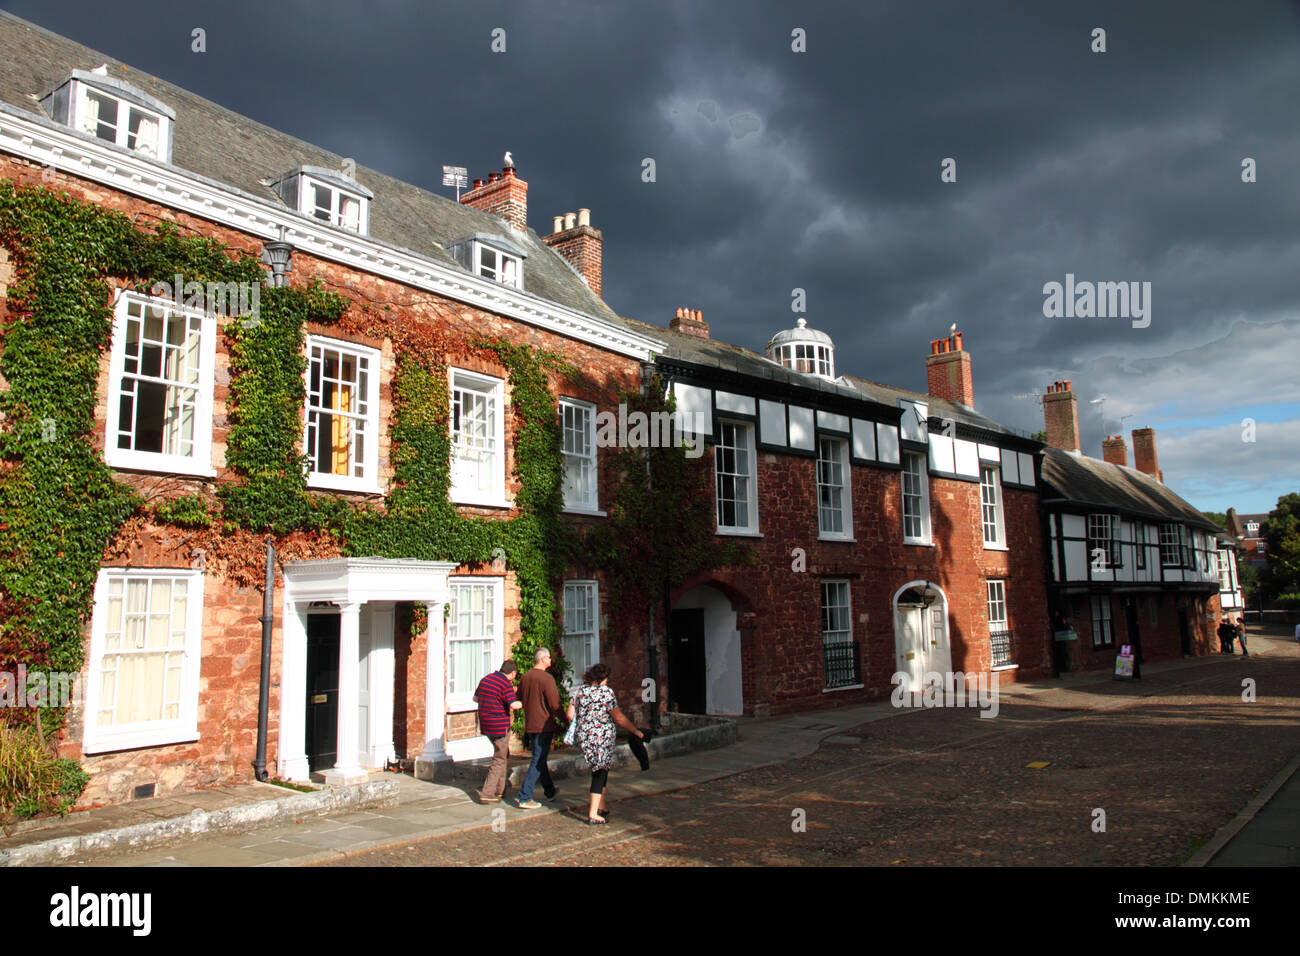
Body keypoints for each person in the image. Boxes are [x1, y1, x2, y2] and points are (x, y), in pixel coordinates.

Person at [566, 662, 644, 825]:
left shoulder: (580, 691)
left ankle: (601, 806)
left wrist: (586, 723)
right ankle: (593, 813)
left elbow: (569, 714)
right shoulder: (606, 693)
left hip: (585, 737)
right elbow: (619, 717)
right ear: (603, 679)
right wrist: (635, 730)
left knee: (601, 768)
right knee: (600, 771)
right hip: (602, 737)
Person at [516, 647, 562, 809]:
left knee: (540, 758)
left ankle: (550, 791)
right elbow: (555, 704)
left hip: (531, 724)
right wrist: (565, 721)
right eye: (549, 657)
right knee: (538, 759)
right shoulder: (546, 679)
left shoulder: (525, 678)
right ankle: (525, 796)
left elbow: (519, 699)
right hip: (543, 725)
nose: (550, 660)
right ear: (542, 659)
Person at [473, 660, 522, 804]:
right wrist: (525, 701)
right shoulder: (505, 683)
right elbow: (514, 705)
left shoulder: (486, 679)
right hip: (499, 725)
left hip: (486, 725)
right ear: (512, 673)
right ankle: (487, 792)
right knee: (499, 759)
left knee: (503, 754)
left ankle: (500, 789)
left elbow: (475, 698)